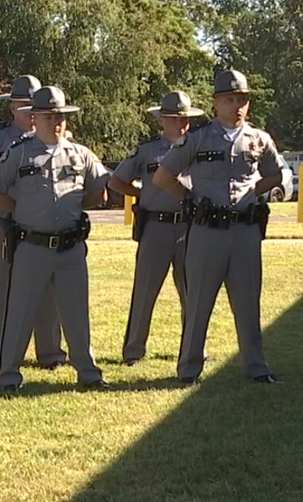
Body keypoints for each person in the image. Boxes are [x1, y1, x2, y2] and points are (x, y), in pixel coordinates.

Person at [155, 69, 286, 385]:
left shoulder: (259, 139)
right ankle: (189, 369)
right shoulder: (198, 138)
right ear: (216, 103)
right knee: (199, 302)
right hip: (207, 231)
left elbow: (276, 174)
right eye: (229, 99)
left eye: (242, 99)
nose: (237, 105)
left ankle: (256, 367)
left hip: (244, 231)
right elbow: (162, 177)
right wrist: (190, 198)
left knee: (247, 302)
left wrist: (253, 192)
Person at [0, 86, 110, 392]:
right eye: (48, 116)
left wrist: (77, 207)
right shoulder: (19, 152)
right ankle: (9, 376)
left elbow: (99, 191)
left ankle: (89, 374)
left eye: (61, 116)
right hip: (32, 246)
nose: (56, 122)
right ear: (34, 118)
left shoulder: (81, 154)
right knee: (19, 313)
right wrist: (23, 210)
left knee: (76, 313)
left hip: (71, 246)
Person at [0, 75, 66, 372]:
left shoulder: (56, 140)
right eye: (23, 104)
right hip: (5, 224)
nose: (30, 110)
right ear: (12, 107)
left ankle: (50, 352)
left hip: (43, 227)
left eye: (35, 105)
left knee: (47, 289)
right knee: (0, 290)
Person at [107, 91, 207, 366]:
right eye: (174, 119)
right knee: (145, 290)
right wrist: (142, 196)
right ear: (161, 121)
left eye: (185, 119)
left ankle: (193, 350)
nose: (181, 125)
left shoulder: (199, 147)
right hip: (156, 227)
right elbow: (116, 182)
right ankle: (133, 351)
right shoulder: (147, 150)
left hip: (190, 225)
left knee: (193, 292)